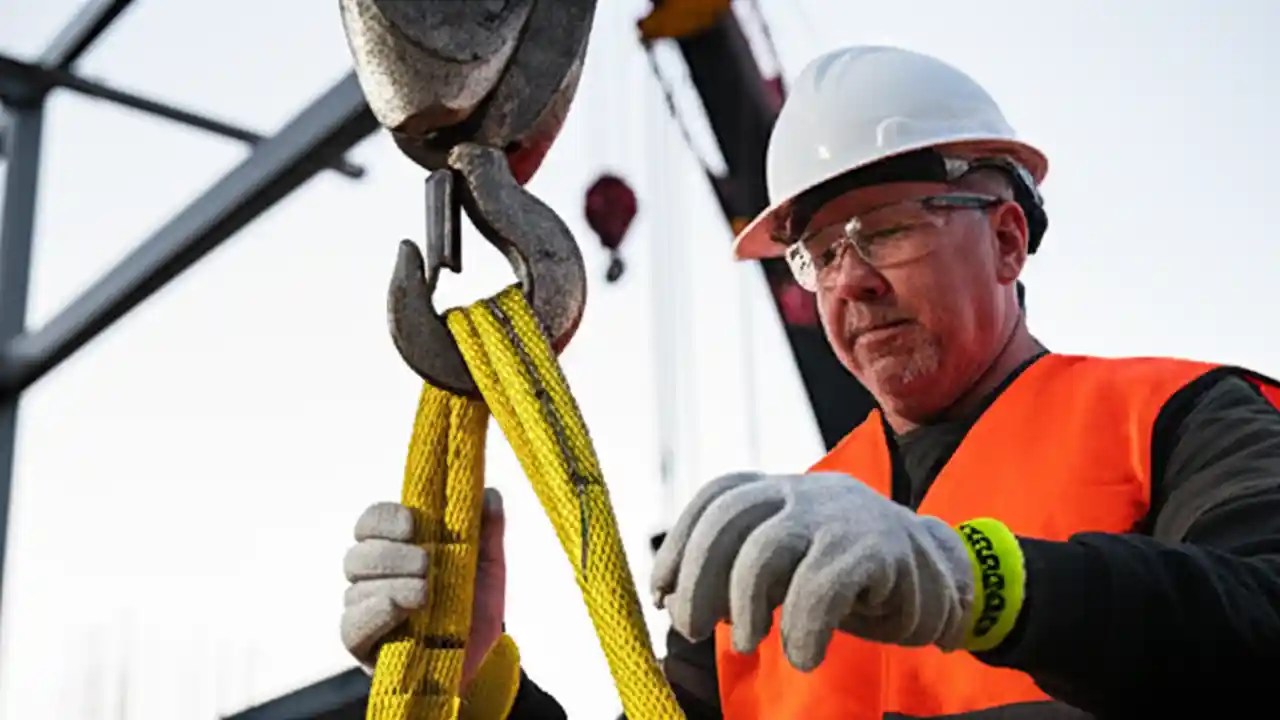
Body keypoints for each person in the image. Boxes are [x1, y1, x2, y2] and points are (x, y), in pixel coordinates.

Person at [341, 45, 1280, 719]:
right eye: (820, 253)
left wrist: (985, 583)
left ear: (1005, 238)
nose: (851, 281)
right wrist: (477, 681)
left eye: (889, 230)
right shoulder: (759, 554)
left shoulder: (1181, 421)